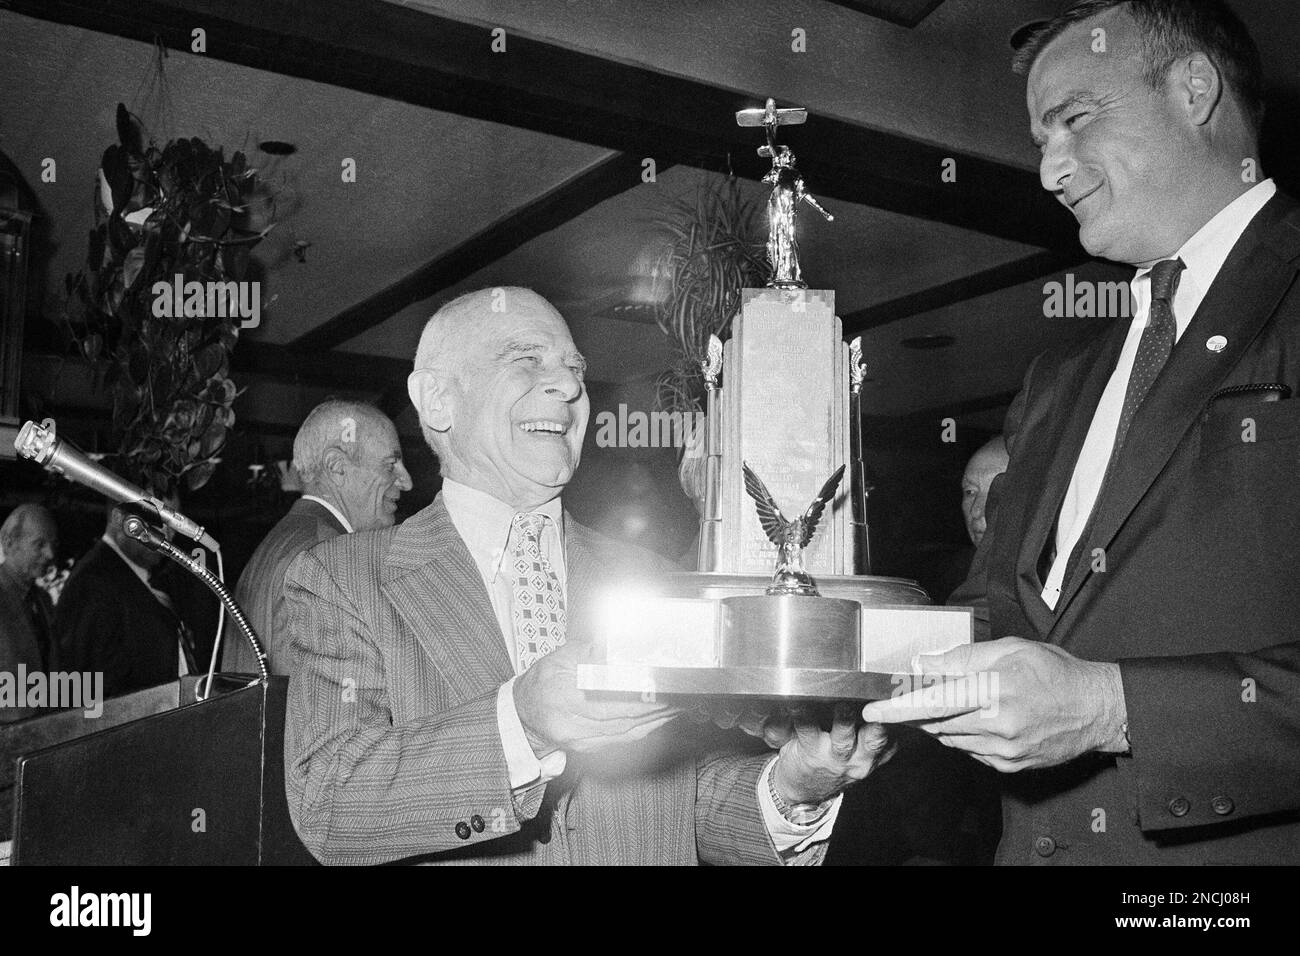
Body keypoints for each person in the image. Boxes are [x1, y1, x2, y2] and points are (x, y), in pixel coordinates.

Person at [865, 0, 1300, 864]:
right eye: (1040, 141)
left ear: (1194, 89)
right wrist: (832, 667)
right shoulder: (1062, 377)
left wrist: (1112, 707)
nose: (1049, 170)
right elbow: (993, 612)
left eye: (1075, 119)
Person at [282, 287, 893, 865]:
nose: (570, 385)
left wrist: (796, 785)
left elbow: (689, 797)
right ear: (437, 399)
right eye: (525, 359)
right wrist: (519, 722)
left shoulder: (656, 582)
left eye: (575, 368)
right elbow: (331, 804)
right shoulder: (343, 579)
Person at [222, 400, 412, 675]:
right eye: (391, 465)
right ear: (336, 467)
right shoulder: (329, 554)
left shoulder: (280, 542)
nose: (406, 481)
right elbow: (334, 708)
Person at [55, 503, 198, 699]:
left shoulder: (140, 577)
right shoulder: (94, 582)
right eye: (161, 521)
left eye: (174, 523)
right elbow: (86, 688)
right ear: (119, 519)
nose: (170, 534)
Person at [0, 504, 59, 722]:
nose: (50, 554)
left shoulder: (42, 599)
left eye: (53, 544)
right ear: (9, 542)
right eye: (39, 544)